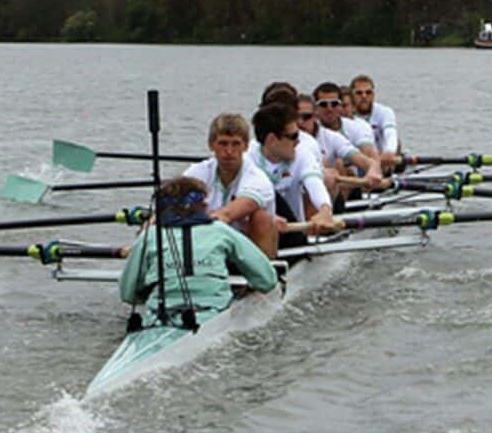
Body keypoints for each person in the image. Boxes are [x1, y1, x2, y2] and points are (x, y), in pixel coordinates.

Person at [118, 176, 279, 330]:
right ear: (202, 205)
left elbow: (128, 294)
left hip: (158, 316)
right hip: (213, 312)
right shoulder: (221, 231)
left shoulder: (150, 236)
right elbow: (267, 280)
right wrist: (248, 291)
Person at [182, 113, 280, 258]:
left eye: (235, 144)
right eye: (223, 143)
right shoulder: (197, 172)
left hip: (247, 252)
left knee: (262, 218)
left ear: (246, 146)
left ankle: (265, 277)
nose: (229, 151)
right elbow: (169, 203)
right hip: (209, 246)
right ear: (211, 145)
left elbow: (226, 215)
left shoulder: (257, 179)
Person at [246, 101, 336, 237]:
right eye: (293, 136)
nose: (298, 141)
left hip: (292, 233)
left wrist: (325, 210)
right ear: (271, 140)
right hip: (260, 232)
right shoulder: (248, 157)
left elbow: (315, 184)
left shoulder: (302, 154)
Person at [346, 75, 401, 173]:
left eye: (368, 92)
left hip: (383, 159)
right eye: (359, 93)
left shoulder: (385, 112)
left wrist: (389, 151)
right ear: (351, 96)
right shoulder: (346, 113)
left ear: (373, 95)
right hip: (357, 160)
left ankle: (386, 171)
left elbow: (390, 133)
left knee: (397, 142)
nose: (364, 96)